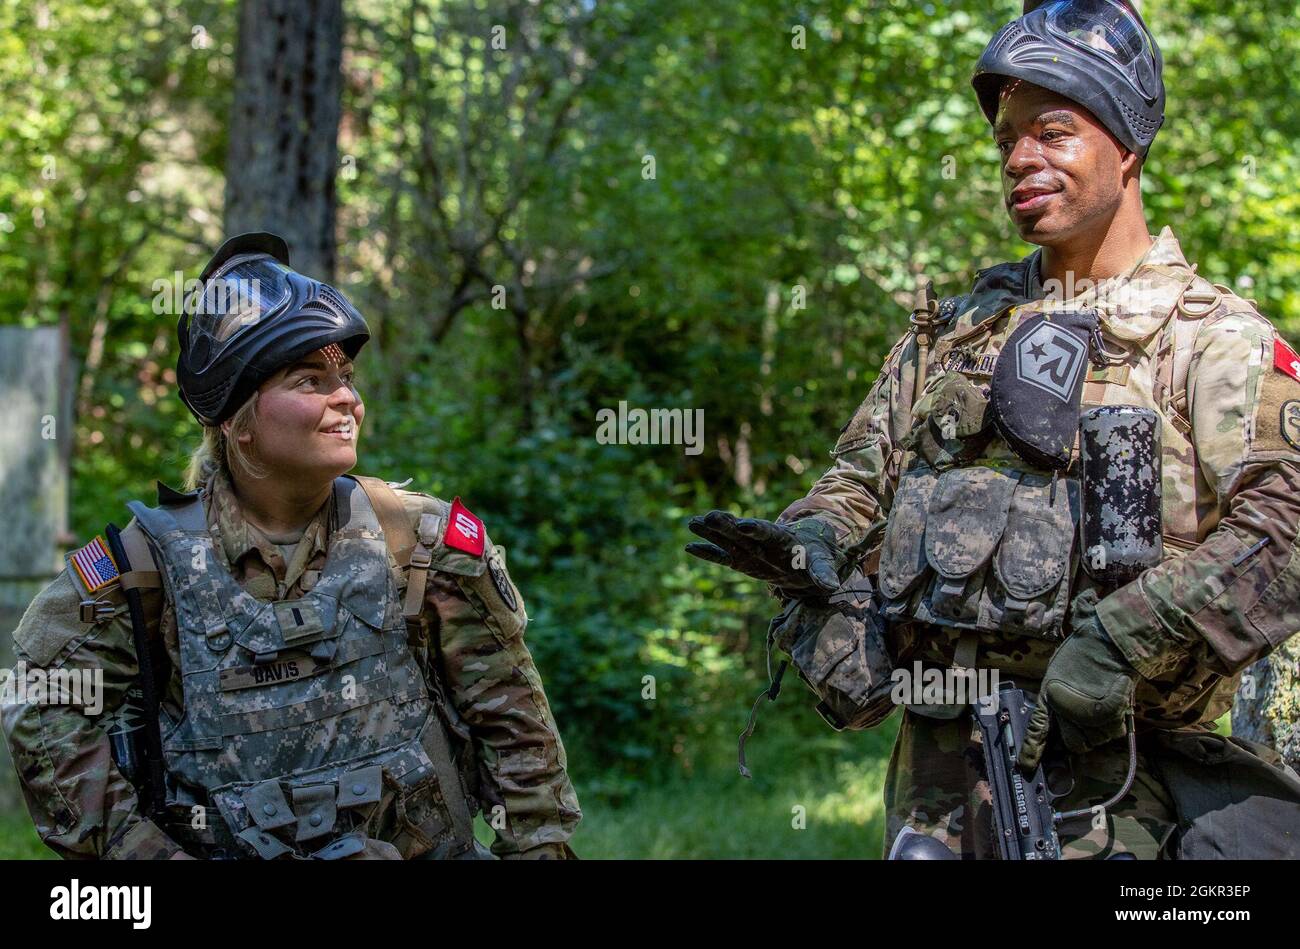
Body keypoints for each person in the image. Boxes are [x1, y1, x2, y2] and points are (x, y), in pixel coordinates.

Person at [688, 0, 1300, 858]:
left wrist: (1122, 640)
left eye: (1053, 132)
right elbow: (857, 480)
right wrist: (812, 542)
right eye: (1007, 139)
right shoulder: (954, 332)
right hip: (934, 790)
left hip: (1119, 793)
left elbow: (1286, 526)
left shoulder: (1211, 340)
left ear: (1127, 147)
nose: (1018, 159)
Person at [2, 232, 581, 860]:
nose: (348, 398)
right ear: (237, 421)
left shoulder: (418, 541)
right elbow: (39, 705)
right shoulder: (146, 567)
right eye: (310, 381)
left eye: (346, 377)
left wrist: (537, 847)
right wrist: (142, 853)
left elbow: (514, 721)